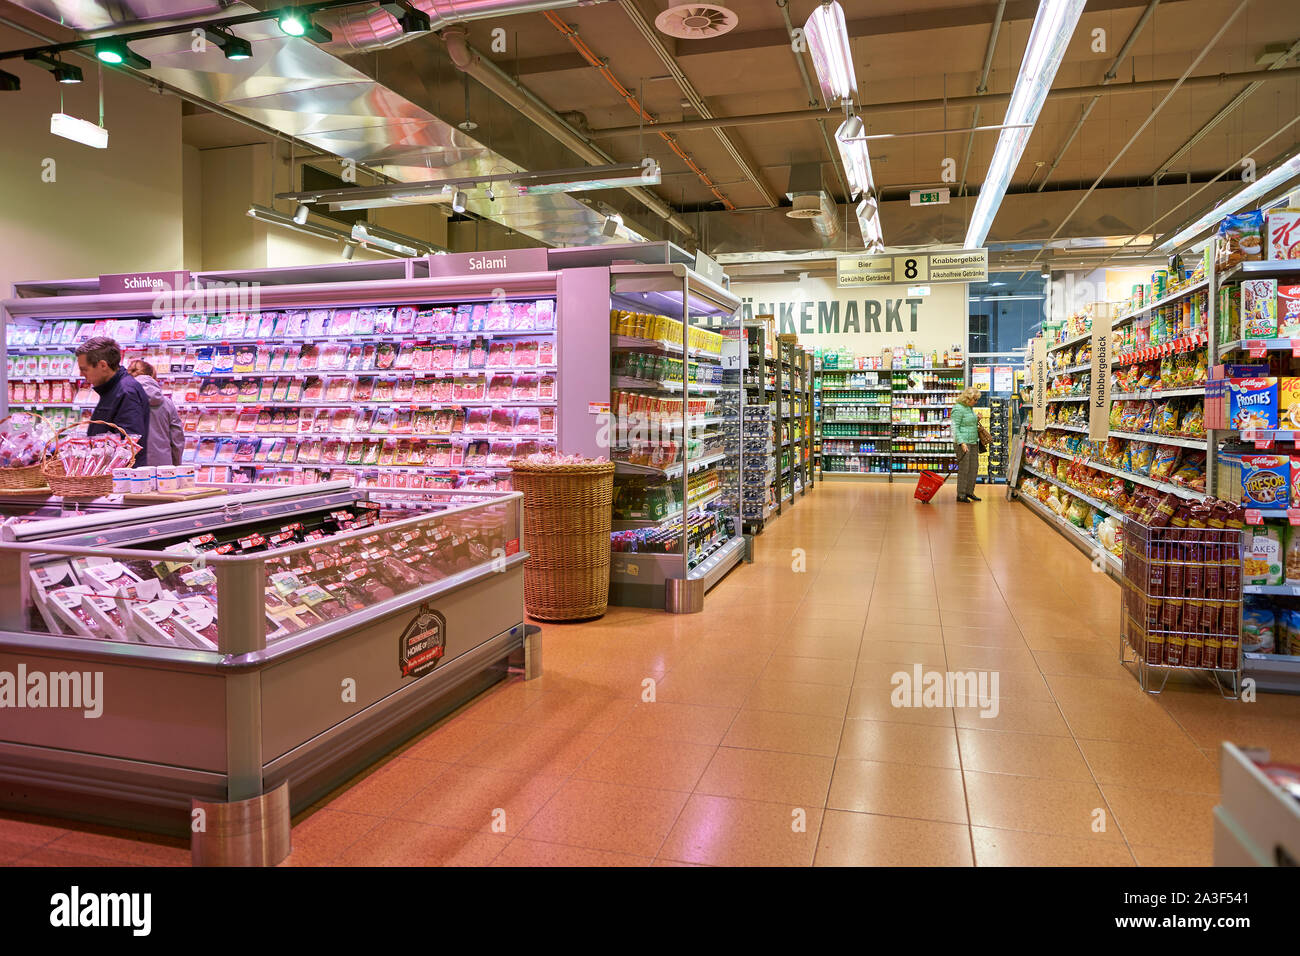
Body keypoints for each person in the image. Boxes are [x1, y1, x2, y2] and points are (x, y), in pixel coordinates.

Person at [74, 336, 150, 467]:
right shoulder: (111, 389)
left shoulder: (126, 392)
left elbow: (129, 444)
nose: (82, 374)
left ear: (103, 365)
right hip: (108, 476)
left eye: (84, 369)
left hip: (119, 479)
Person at [128, 359, 185, 467]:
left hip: (129, 469)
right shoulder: (167, 403)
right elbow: (177, 440)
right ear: (153, 376)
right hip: (163, 468)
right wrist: (176, 466)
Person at [951, 386, 988, 503]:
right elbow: (955, 427)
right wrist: (961, 442)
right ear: (968, 398)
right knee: (964, 469)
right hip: (963, 443)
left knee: (973, 468)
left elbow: (968, 423)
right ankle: (961, 494)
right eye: (975, 399)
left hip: (973, 442)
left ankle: (969, 492)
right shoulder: (958, 408)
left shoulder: (969, 408)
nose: (976, 402)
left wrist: (976, 419)